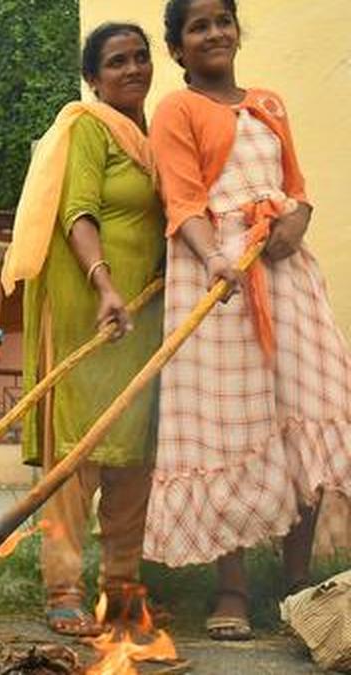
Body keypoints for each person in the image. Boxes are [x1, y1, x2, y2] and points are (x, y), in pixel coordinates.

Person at [144, 0, 351, 641]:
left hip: (287, 276)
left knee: (307, 409)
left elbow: (298, 185)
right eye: (198, 27)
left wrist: (297, 218)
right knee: (229, 427)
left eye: (222, 21)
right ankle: (231, 589)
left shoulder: (269, 101)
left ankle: (299, 589)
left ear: (237, 29)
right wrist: (217, 261)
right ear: (178, 49)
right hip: (218, 283)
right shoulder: (175, 110)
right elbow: (182, 201)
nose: (214, 33)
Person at [2, 23, 165, 636]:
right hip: (89, 308)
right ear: (93, 79)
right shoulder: (87, 126)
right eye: (117, 62)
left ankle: (122, 587)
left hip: (144, 315)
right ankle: (64, 588)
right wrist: (104, 284)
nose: (132, 69)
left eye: (140, 58)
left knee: (133, 452)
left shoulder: (152, 139)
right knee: (79, 452)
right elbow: (77, 211)